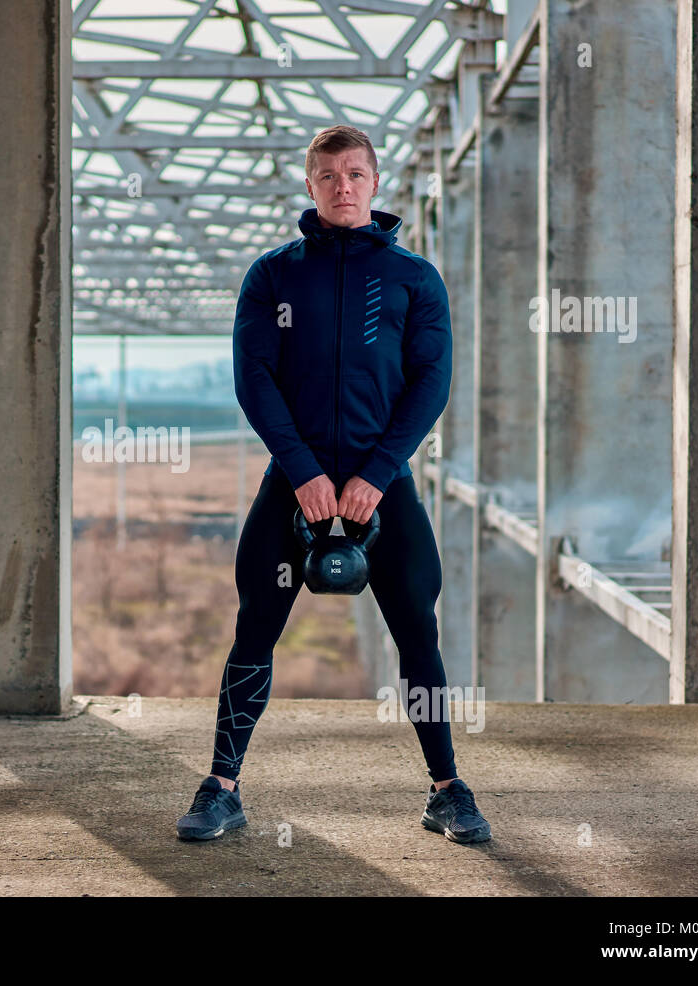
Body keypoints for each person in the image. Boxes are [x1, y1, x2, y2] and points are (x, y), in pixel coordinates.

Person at [176, 125, 491, 844]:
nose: (342, 186)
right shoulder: (273, 275)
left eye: (355, 174)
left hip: (386, 489)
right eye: (328, 176)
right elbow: (253, 379)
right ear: (310, 186)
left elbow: (430, 383)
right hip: (294, 484)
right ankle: (221, 788)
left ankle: (448, 789)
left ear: (375, 183)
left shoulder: (415, 279)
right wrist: (303, 472)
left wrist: (377, 474)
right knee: (254, 627)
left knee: (419, 632)